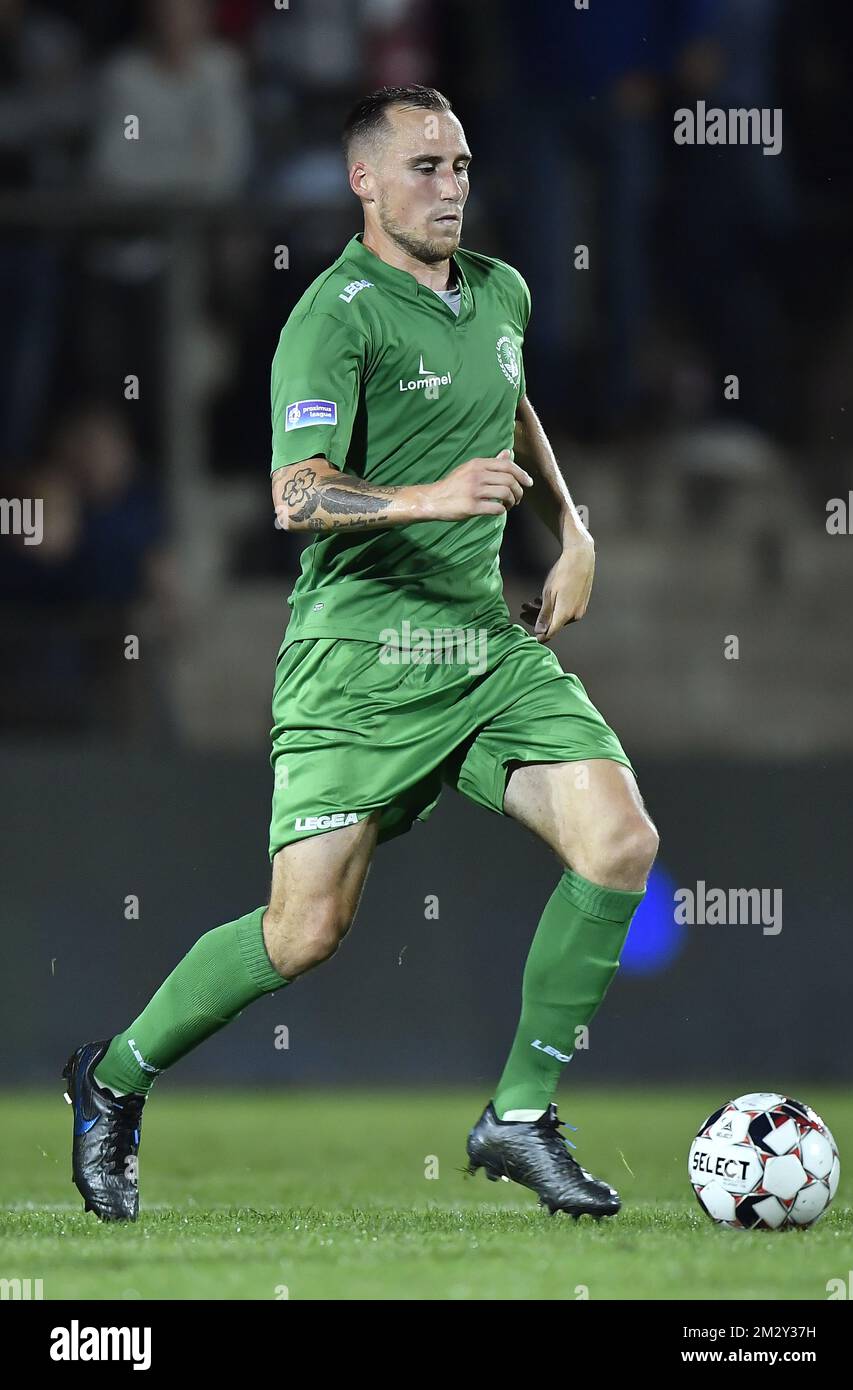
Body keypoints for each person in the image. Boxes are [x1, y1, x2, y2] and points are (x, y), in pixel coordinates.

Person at [64, 85, 659, 1223]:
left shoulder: (500, 290)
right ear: (364, 184)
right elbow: (296, 495)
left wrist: (572, 529)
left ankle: (518, 1116)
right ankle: (112, 1077)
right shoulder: (331, 317)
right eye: (424, 167)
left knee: (619, 839)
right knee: (302, 934)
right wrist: (432, 496)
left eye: (461, 163)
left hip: (484, 651)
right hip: (357, 666)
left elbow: (509, 396)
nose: (450, 186)